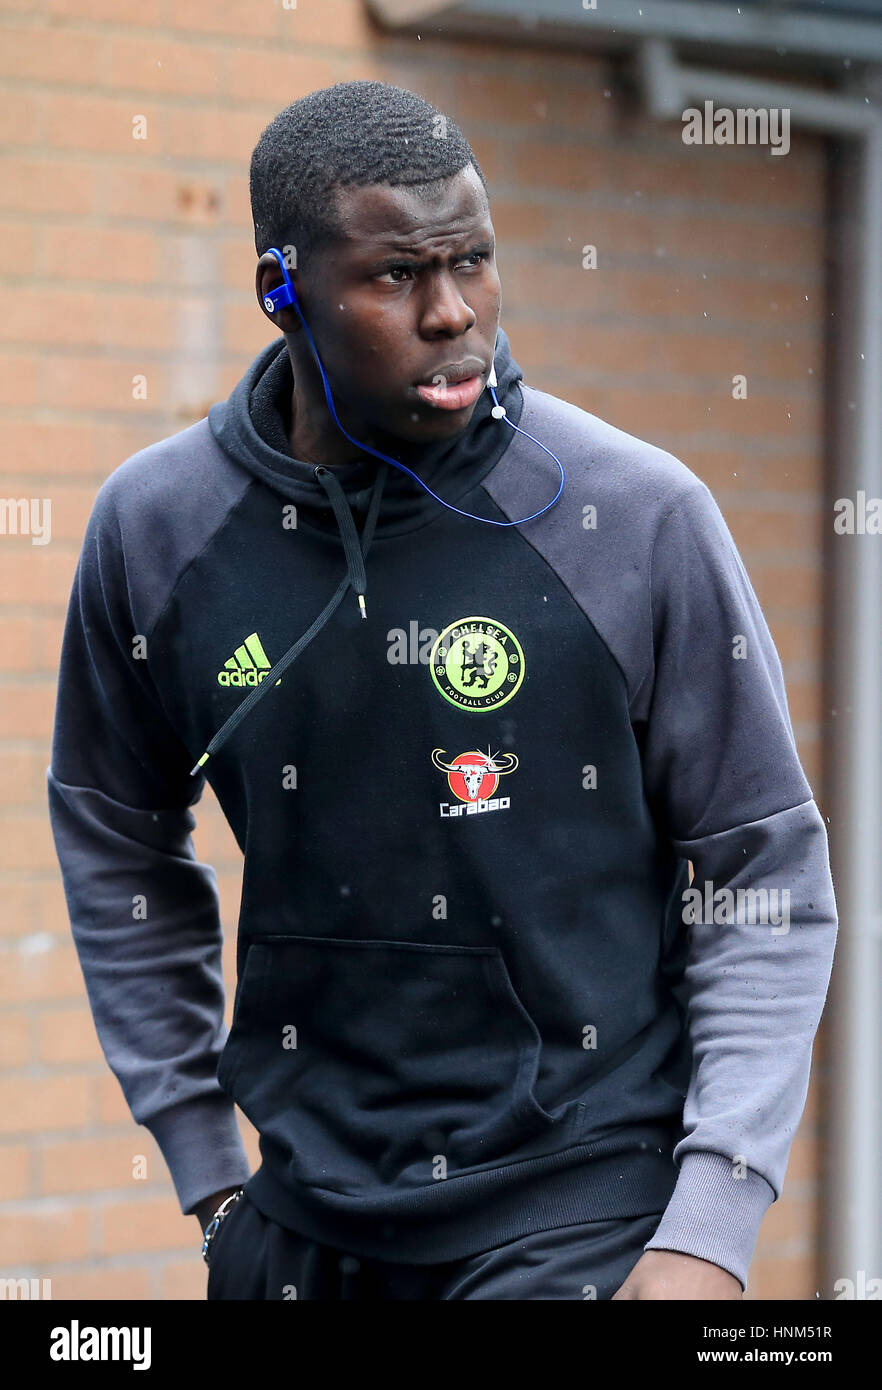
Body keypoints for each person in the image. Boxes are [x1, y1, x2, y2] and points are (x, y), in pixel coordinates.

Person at [47, 80, 838, 1301]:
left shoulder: (632, 515)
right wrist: (212, 1181)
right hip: (302, 1229)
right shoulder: (159, 531)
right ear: (281, 292)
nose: (452, 312)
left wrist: (709, 1228)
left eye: (473, 260)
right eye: (396, 277)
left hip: (580, 1216)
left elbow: (764, 872)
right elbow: (114, 840)